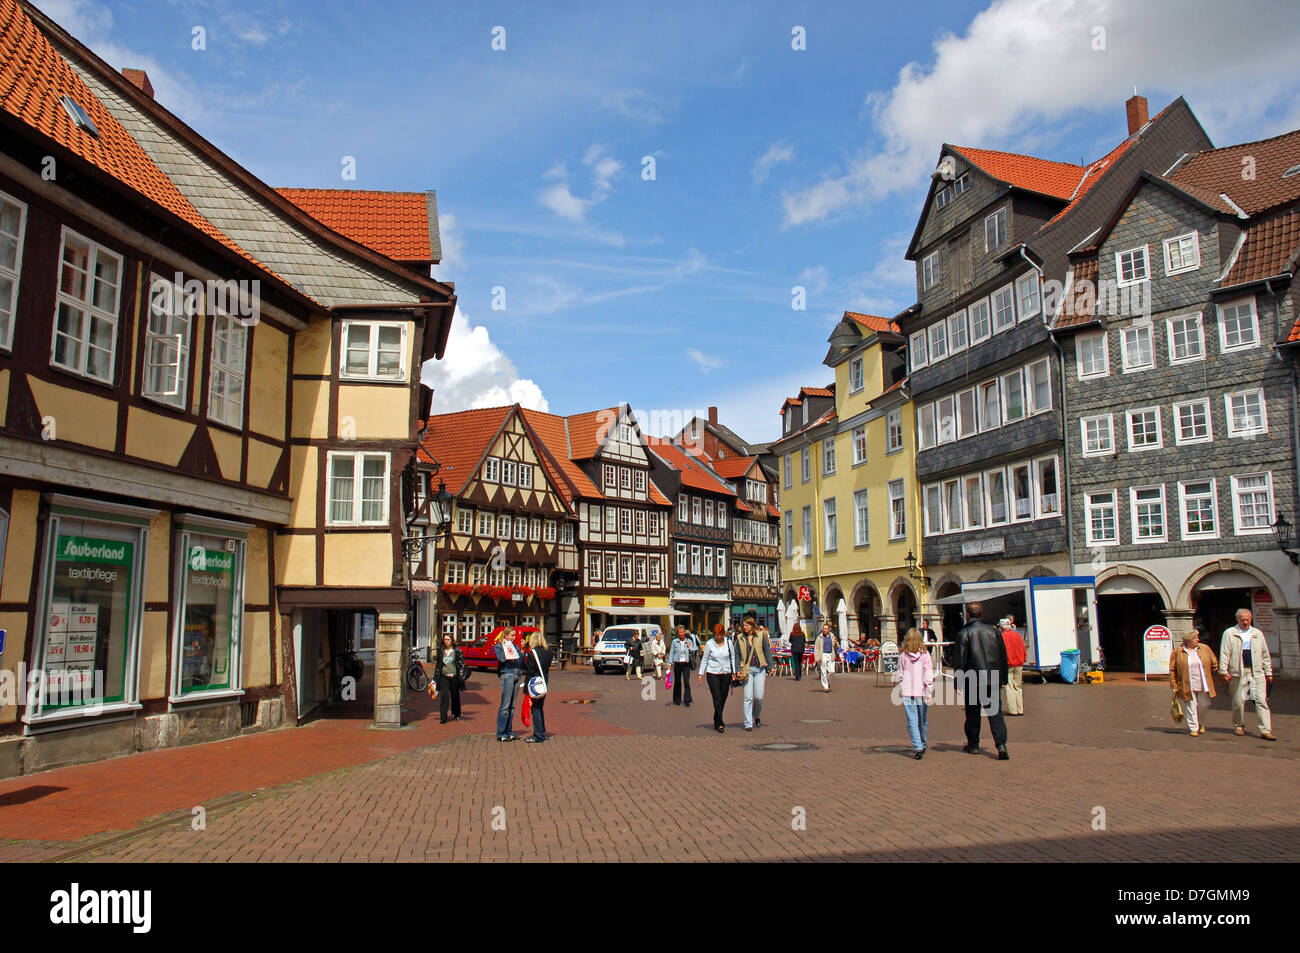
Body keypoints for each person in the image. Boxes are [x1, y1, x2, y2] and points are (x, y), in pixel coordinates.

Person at [955, 602, 1010, 760]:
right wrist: (1004, 678)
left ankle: (973, 745)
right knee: (995, 713)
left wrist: (958, 683)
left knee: (972, 713)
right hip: (992, 677)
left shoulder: (964, 633)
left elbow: (960, 660)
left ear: (968, 614)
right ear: (981, 614)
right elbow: (1002, 656)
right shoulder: (994, 632)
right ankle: (1001, 745)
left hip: (972, 678)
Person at [1218, 609, 1276, 741]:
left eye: (1247, 619)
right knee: (1238, 701)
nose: (1245, 622)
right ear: (1237, 619)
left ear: (1251, 619)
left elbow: (1265, 654)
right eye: (1242, 619)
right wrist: (1223, 670)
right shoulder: (1230, 633)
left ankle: (1265, 730)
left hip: (1256, 672)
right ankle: (1239, 725)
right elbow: (1225, 652)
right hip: (1239, 672)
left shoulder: (1257, 633)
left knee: (1261, 701)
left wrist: (1268, 672)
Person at [896, 628, 935, 759]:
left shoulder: (903, 656)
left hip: (908, 691)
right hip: (921, 691)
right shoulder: (925, 655)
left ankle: (918, 746)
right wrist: (929, 691)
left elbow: (900, 674)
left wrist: (901, 688)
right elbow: (928, 676)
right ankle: (922, 743)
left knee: (912, 721)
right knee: (922, 720)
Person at [1171, 629, 1217, 737]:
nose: (1198, 639)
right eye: (1195, 638)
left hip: (1203, 682)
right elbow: (1172, 669)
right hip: (1187, 682)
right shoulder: (1178, 651)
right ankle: (1193, 727)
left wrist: (1216, 669)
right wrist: (1174, 684)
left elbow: (1213, 661)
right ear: (1189, 640)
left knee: (1204, 704)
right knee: (1191, 705)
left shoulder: (1204, 648)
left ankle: (1200, 723)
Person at [696, 623, 737, 732]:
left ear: (723, 634)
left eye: (720, 635)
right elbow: (704, 659)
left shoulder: (728, 643)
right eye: (716, 635)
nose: (718, 637)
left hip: (726, 672)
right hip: (712, 672)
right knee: (717, 697)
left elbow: (732, 657)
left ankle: (716, 717)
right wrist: (700, 674)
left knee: (723, 697)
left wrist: (734, 671)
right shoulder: (710, 644)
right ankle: (720, 722)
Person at [737, 618, 771, 731]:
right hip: (747, 670)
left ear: (752, 626)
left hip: (760, 669)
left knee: (759, 697)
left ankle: (756, 715)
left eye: (747, 625)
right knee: (748, 697)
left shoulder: (760, 635)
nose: (745, 627)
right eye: (744, 625)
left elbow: (767, 651)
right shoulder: (740, 638)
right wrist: (737, 669)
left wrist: (771, 666)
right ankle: (748, 723)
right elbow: (736, 654)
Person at [522, 631, 554, 743]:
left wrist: (526, 689)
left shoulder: (532, 653)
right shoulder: (549, 652)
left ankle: (538, 734)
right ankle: (542, 732)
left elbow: (529, 670)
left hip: (534, 684)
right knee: (540, 708)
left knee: (535, 709)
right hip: (544, 682)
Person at [494, 627, 524, 742]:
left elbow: (520, 662)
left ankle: (509, 731)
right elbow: (501, 658)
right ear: (505, 635)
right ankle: (501, 732)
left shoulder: (515, 646)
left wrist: (520, 651)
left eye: (515, 635)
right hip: (507, 674)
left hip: (517, 674)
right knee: (505, 705)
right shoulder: (499, 646)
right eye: (512, 635)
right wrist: (507, 648)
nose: (514, 637)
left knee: (512, 705)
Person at [432, 632, 464, 724]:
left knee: (455, 696)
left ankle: (456, 713)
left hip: (454, 676)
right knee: (444, 695)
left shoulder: (456, 651)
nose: (446, 642)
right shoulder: (441, 651)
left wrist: (461, 676)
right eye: (445, 640)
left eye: (448, 640)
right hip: (444, 676)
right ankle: (443, 717)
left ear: (452, 641)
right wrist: (435, 678)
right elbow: (438, 665)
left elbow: (461, 664)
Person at [1000, 617, 1026, 716]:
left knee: (1009, 687)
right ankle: (1020, 709)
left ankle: (1012, 710)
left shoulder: (1003, 637)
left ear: (1002, 627)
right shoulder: (1017, 635)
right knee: (1018, 687)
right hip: (1019, 663)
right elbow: (1023, 648)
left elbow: (1002, 652)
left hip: (1009, 664)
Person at [668, 625, 698, 706]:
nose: (681, 634)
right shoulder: (675, 642)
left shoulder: (689, 641)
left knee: (686, 681)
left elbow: (694, 650)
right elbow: (671, 653)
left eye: (682, 632)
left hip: (686, 663)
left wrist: (690, 646)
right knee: (677, 682)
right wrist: (669, 663)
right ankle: (677, 699)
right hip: (677, 663)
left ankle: (687, 699)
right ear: (678, 633)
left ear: (684, 632)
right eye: (680, 632)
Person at [813, 622, 837, 692]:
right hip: (822, 654)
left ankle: (827, 681)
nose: (824, 630)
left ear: (829, 630)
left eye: (826, 629)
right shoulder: (819, 638)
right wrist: (817, 658)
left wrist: (836, 644)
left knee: (832, 671)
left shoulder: (832, 636)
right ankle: (826, 687)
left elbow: (835, 647)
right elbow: (816, 648)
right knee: (823, 672)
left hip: (830, 654)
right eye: (823, 629)